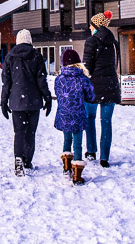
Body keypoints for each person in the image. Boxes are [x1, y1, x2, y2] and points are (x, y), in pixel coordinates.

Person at [1, 29, 52, 177]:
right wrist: (47, 98)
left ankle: (18, 158)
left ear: (17, 41)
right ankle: (27, 161)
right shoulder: (36, 56)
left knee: (19, 132)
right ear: (30, 41)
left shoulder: (10, 57)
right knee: (30, 132)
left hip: (17, 101)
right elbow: (42, 80)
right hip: (33, 101)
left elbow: (6, 83)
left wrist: (3, 101)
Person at [83, 10, 121, 168]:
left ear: (96, 25)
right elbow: (115, 64)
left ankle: (91, 151)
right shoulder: (113, 42)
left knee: (89, 118)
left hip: (94, 86)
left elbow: (87, 67)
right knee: (106, 122)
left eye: (91, 25)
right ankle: (104, 157)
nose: (89, 28)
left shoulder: (91, 41)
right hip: (111, 85)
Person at [54, 49, 96, 185]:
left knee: (67, 139)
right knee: (77, 143)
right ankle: (77, 175)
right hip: (78, 114)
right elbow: (91, 96)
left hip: (64, 114)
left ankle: (66, 167)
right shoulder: (82, 78)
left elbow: (58, 94)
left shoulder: (59, 79)